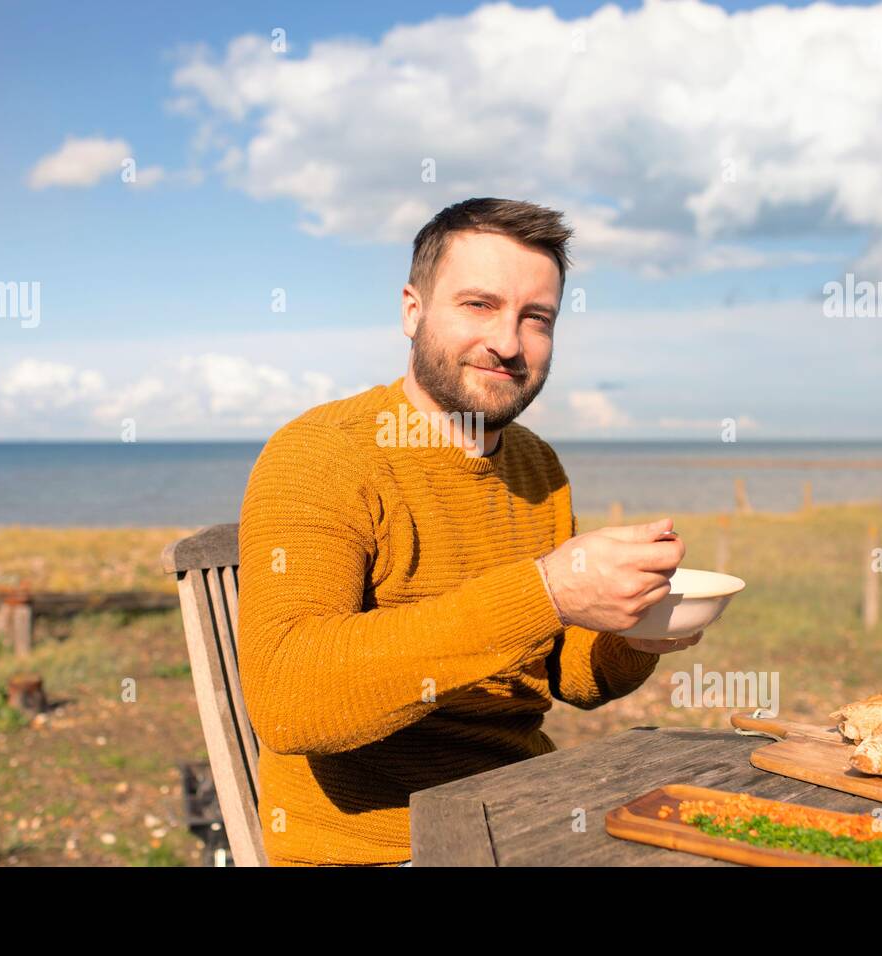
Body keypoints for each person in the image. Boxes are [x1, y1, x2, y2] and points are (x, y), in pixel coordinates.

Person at [237, 197, 699, 866]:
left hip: (527, 817)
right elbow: (289, 699)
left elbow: (567, 676)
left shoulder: (536, 464)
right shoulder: (322, 454)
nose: (509, 344)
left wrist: (634, 631)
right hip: (384, 848)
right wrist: (545, 591)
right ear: (412, 310)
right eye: (478, 306)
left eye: (535, 318)